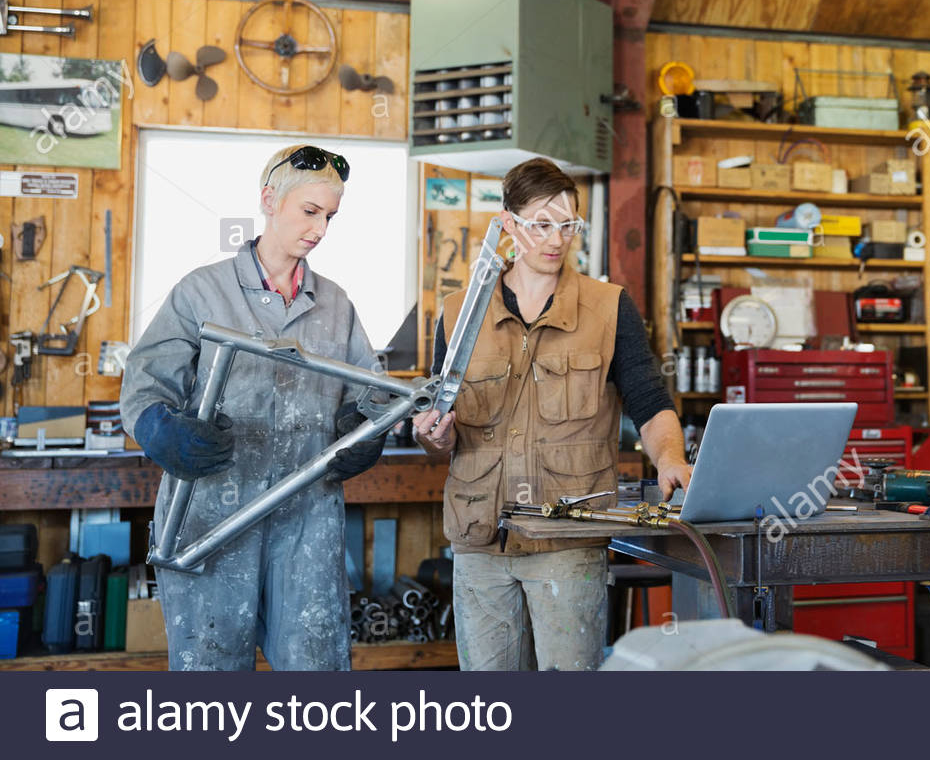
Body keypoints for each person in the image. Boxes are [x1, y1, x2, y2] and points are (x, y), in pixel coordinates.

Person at [412, 157, 690, 671]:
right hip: (480, 539)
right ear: (508, 223)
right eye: (541, 224)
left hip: (568, 537)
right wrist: (435, 436)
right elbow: (439, 425)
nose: (556, 239)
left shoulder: (610, 307)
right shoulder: (458, 310)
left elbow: (650, 403)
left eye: (568, 225)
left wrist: (670, 457)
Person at [121, 144, 383, 671]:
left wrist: (364, 433)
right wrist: (161, 430)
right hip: (211, 517)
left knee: (317, 683)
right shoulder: (201, 292)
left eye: (330, 217)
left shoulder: (336, 304)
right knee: (210, 682)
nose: (320, 229)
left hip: (306, 524)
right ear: (269, 199)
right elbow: (145, 385)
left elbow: (371, 395)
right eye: (310, 212)